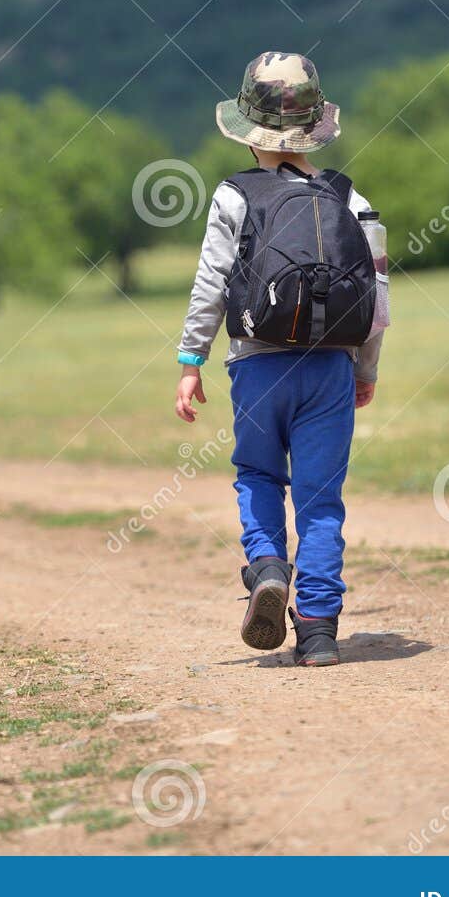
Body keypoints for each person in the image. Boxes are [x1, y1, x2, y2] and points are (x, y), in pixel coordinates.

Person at [174, 52, 385, 667]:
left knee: (259, 475)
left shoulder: (234, 195)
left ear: (248, 127)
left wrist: (191, 360)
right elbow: (377, 300)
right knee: (321, 500)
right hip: (330, 371)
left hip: (257, 366)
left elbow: (211, 282)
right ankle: (318, 631)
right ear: (317, 122)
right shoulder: (353, 200)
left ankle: (267, 566)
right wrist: (365, 371)